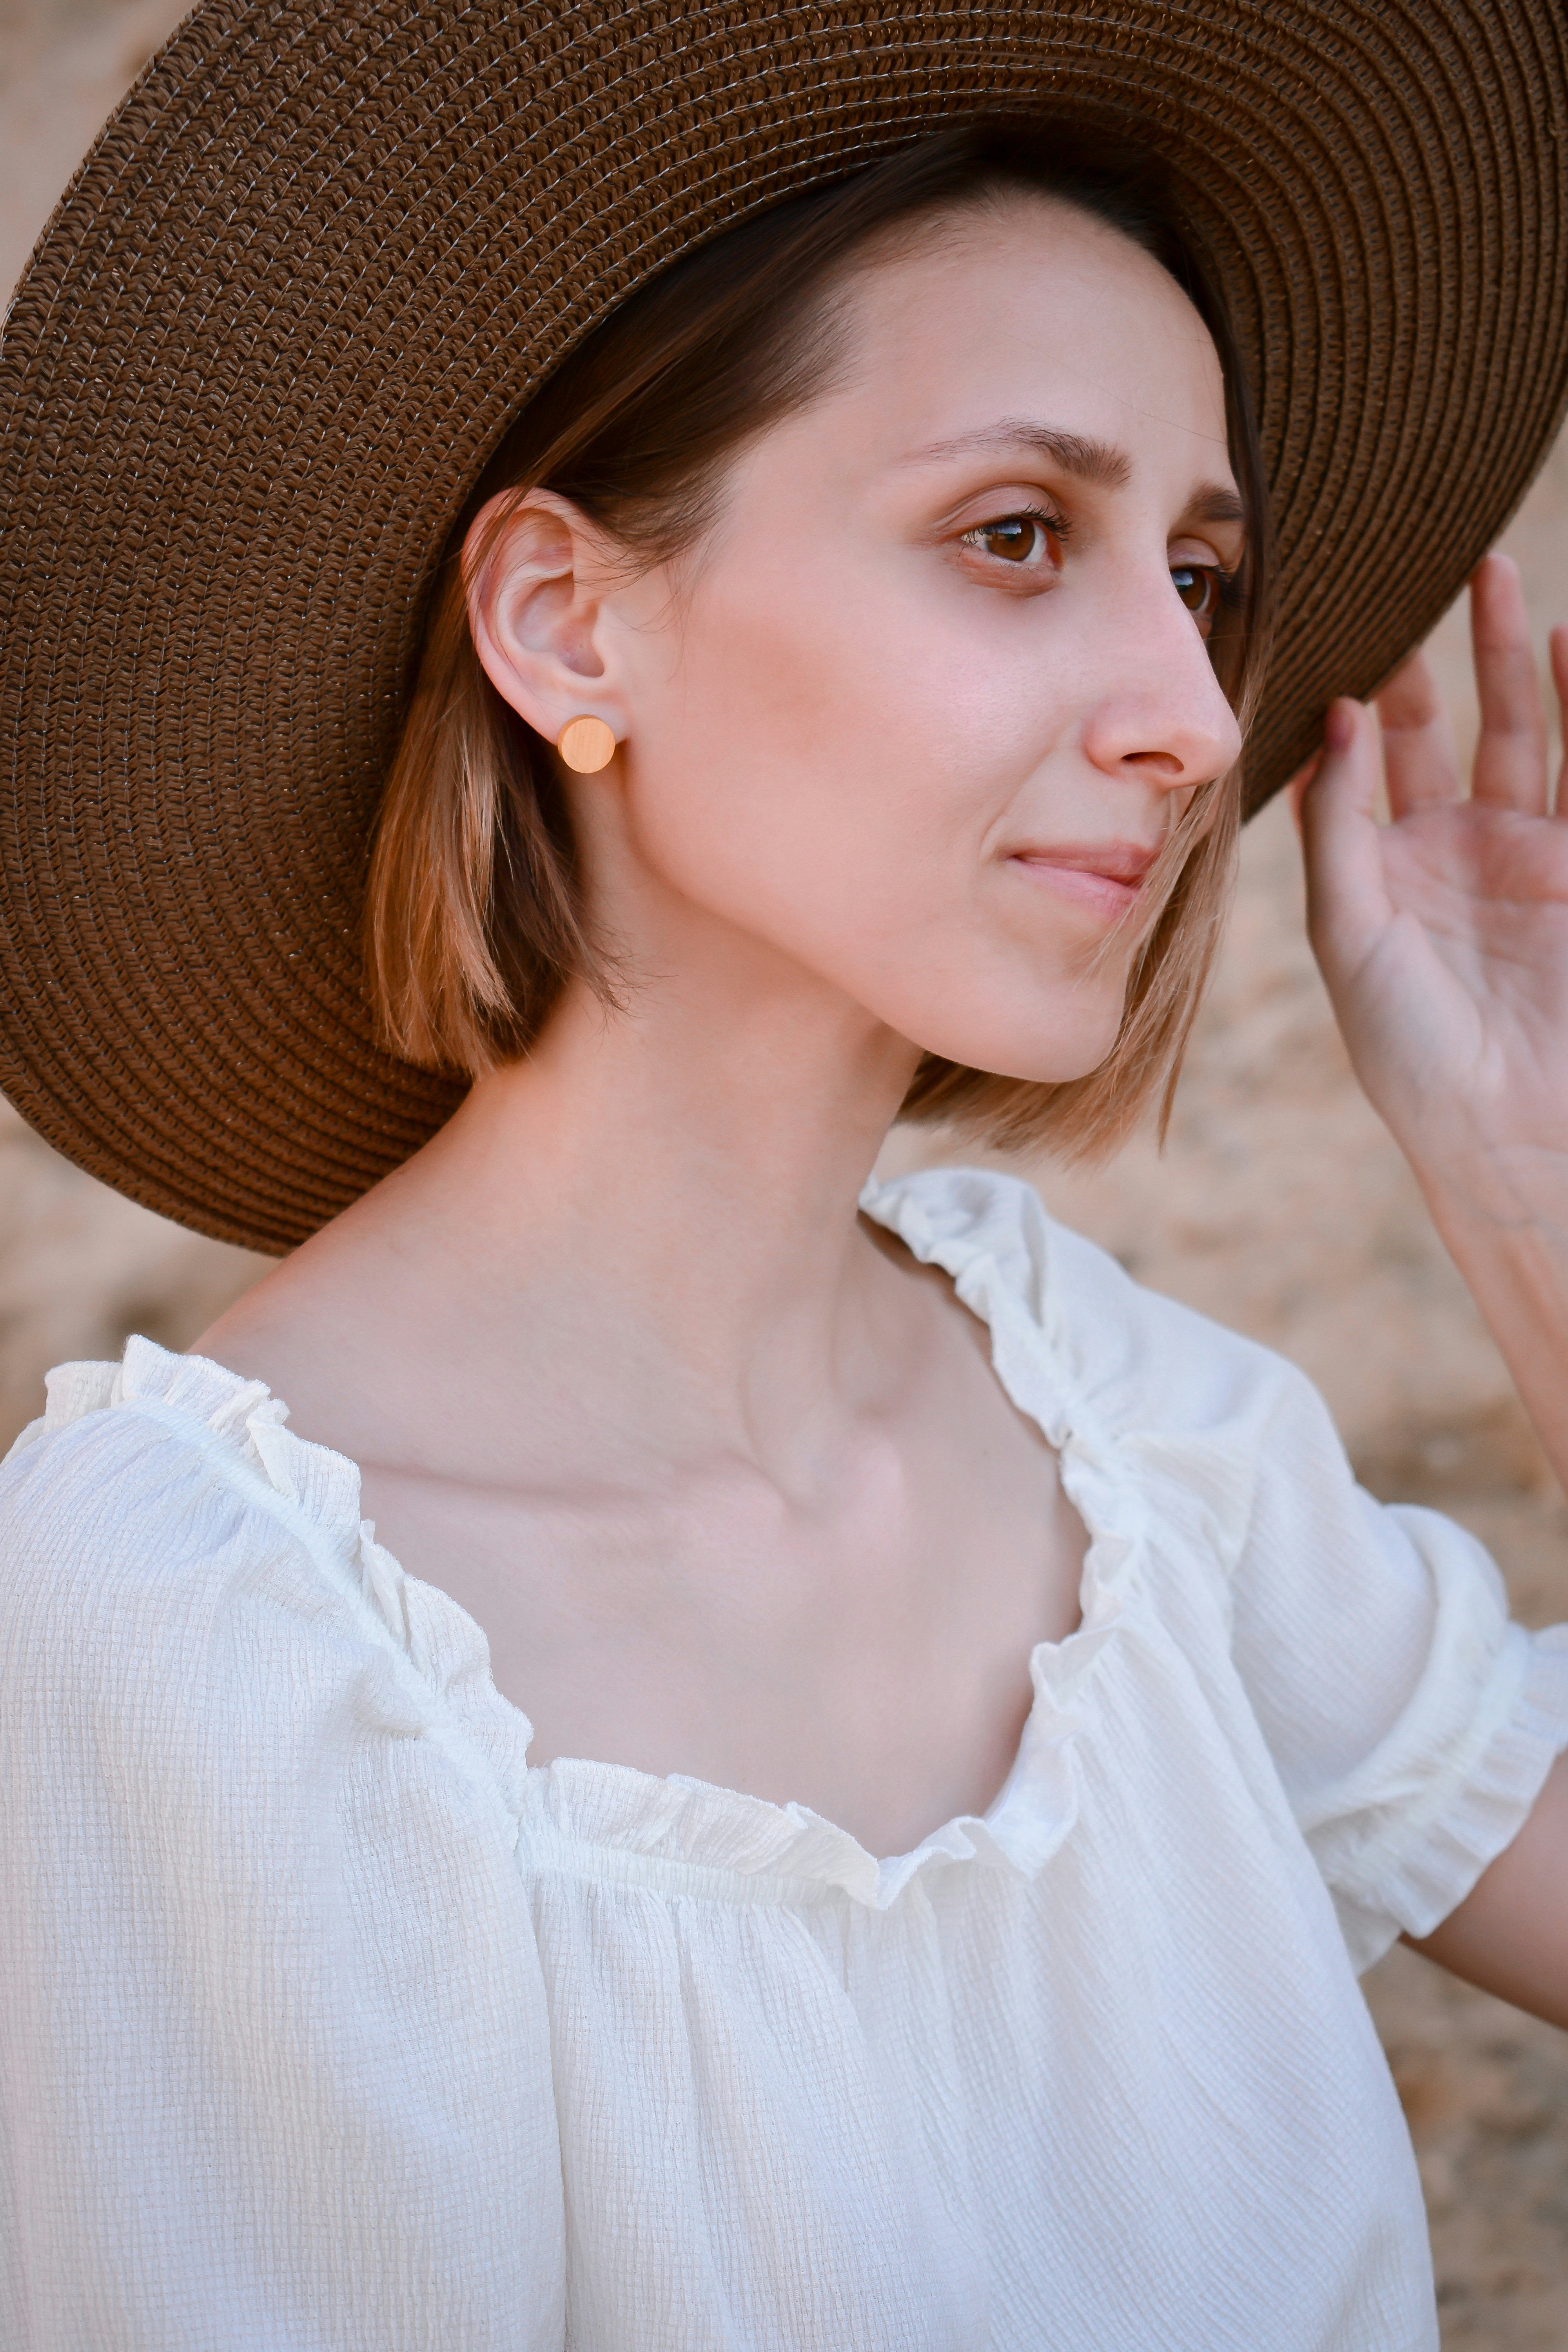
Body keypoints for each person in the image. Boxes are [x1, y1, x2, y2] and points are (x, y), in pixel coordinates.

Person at [0, 5, 1565, 2348]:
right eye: (1019, 534)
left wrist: (1520, 1166)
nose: (1189, 709)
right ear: (565, 619)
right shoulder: (201, 1637)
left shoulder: (1119, 1435)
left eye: (1204, 578)